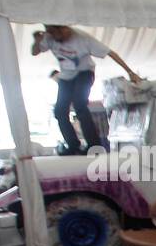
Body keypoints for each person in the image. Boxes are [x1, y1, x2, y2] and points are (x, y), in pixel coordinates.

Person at [31, 25, 141, 155]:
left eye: (58, 36)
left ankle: (94, 145)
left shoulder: (83, 38)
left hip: (85, 73)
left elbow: (111, 53)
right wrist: (37, 40)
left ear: (65, 29)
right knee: (59, 111)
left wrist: (130, 72)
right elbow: (34, 52)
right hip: (66, 76)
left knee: (80, 105)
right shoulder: (50, 37)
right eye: (52, 35)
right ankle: (73, 145)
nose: (56, 39)